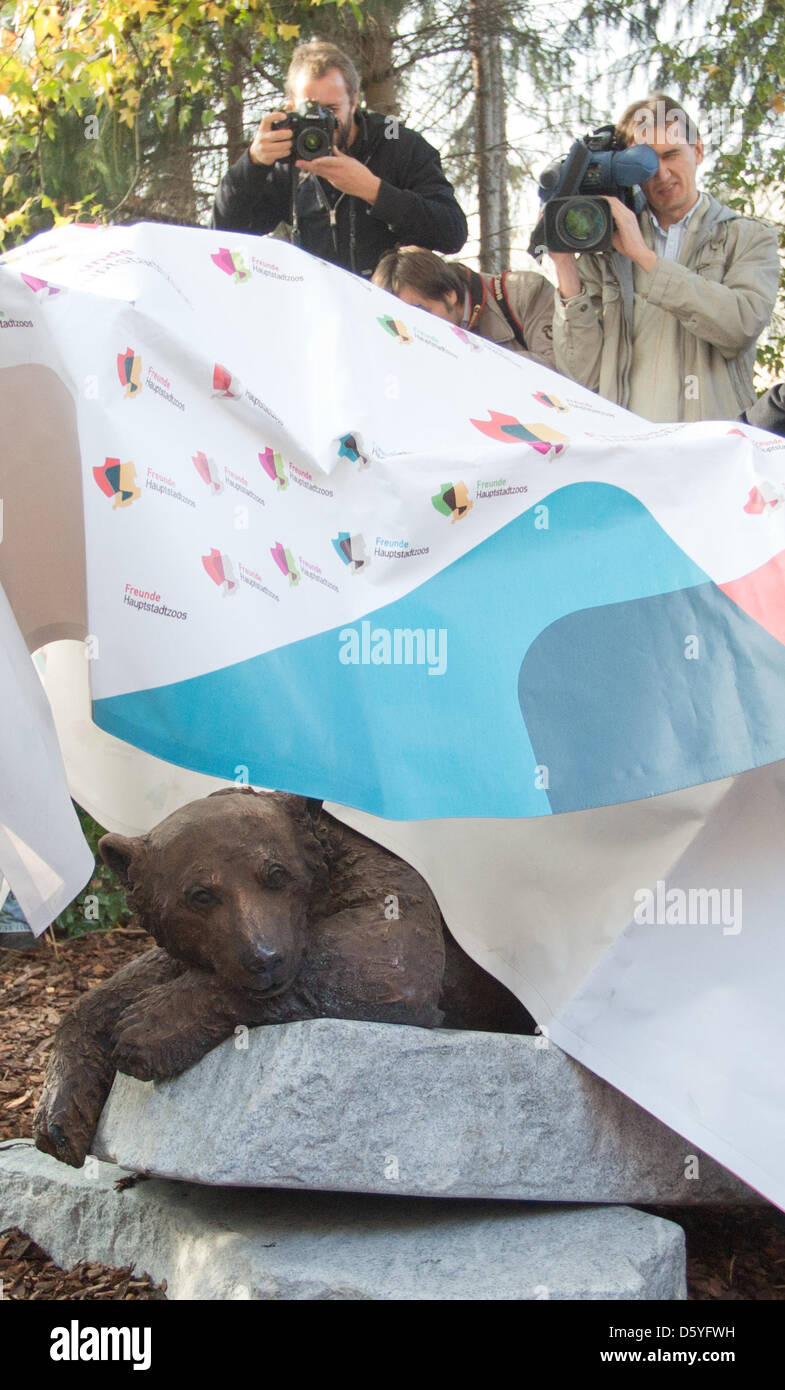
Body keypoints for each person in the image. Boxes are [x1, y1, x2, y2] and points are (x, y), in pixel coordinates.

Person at [549, 93, 780, 422]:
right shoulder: (605, 248)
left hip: (713, 451)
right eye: (644, 162)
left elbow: (739, 326)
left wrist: (643, 256)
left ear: (698, 151)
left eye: (671, 154)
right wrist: (564, 263)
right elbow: (581, 376)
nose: (661, 173)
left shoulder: (747, 237)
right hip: (628, 453)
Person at [211, 40, 467, 278]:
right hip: (316, 305)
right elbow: (225, 233)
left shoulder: (398, 143)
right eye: (310, 109)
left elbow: (452, 233)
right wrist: (252, 163)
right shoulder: (284, 156)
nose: (322, 122)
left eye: (331, 110)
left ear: (354, 101)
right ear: (290, 106)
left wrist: (373, 191)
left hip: (388, 305)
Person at [372, 245, 556, 367]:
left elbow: (564, 370)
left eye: (421, 313)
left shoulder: (526, 293)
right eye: (401, 322)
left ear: (449, 294)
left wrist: (473, 361)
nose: (413, 329)